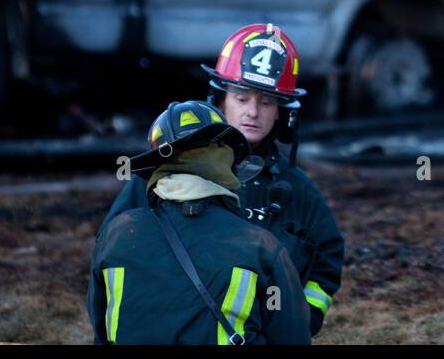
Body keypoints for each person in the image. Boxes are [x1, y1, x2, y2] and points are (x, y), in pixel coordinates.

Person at [96, 23, 344, 336]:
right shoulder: (167, 171)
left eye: (266, 102)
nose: (253, 112)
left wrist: (300, 318)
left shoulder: (297, 191)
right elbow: (113, 251)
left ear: (283, 114)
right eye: (241, 99)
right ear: (220, 100)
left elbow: (327, 257)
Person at [88, 100, 310, 344]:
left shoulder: (117, 234)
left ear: (157, 167)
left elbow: (100, 326)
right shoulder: (260, 246)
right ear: (226, 163)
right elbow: (292, 337)